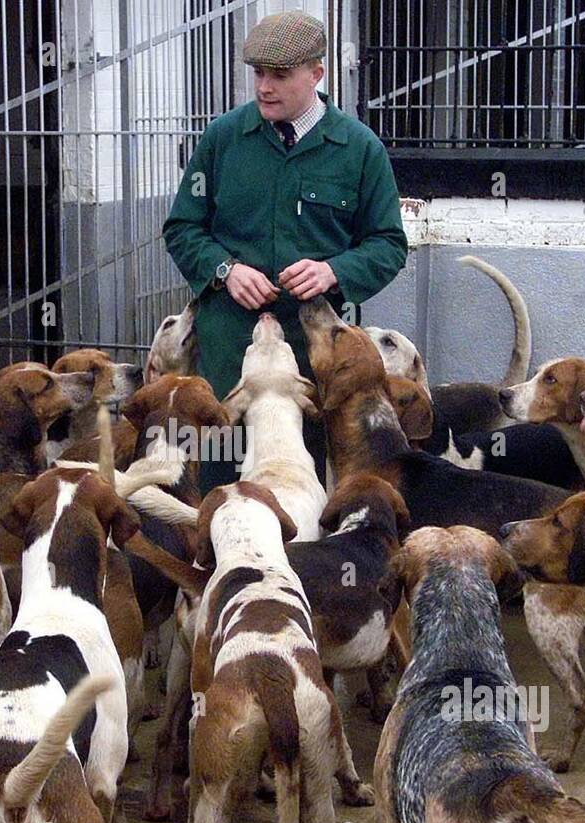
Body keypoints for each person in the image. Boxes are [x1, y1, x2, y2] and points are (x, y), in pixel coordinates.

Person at [163, 10, 407, 490]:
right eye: (258, 74)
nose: (264, 88)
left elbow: (388, 244)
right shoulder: (224, 139)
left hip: (310, 355)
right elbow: (182, 228)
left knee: (300, 489)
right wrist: (225, 269)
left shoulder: (358, 149)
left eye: (280, 75)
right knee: (222, 484)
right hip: (229, 351)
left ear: (316, 74)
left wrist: (333, 271)